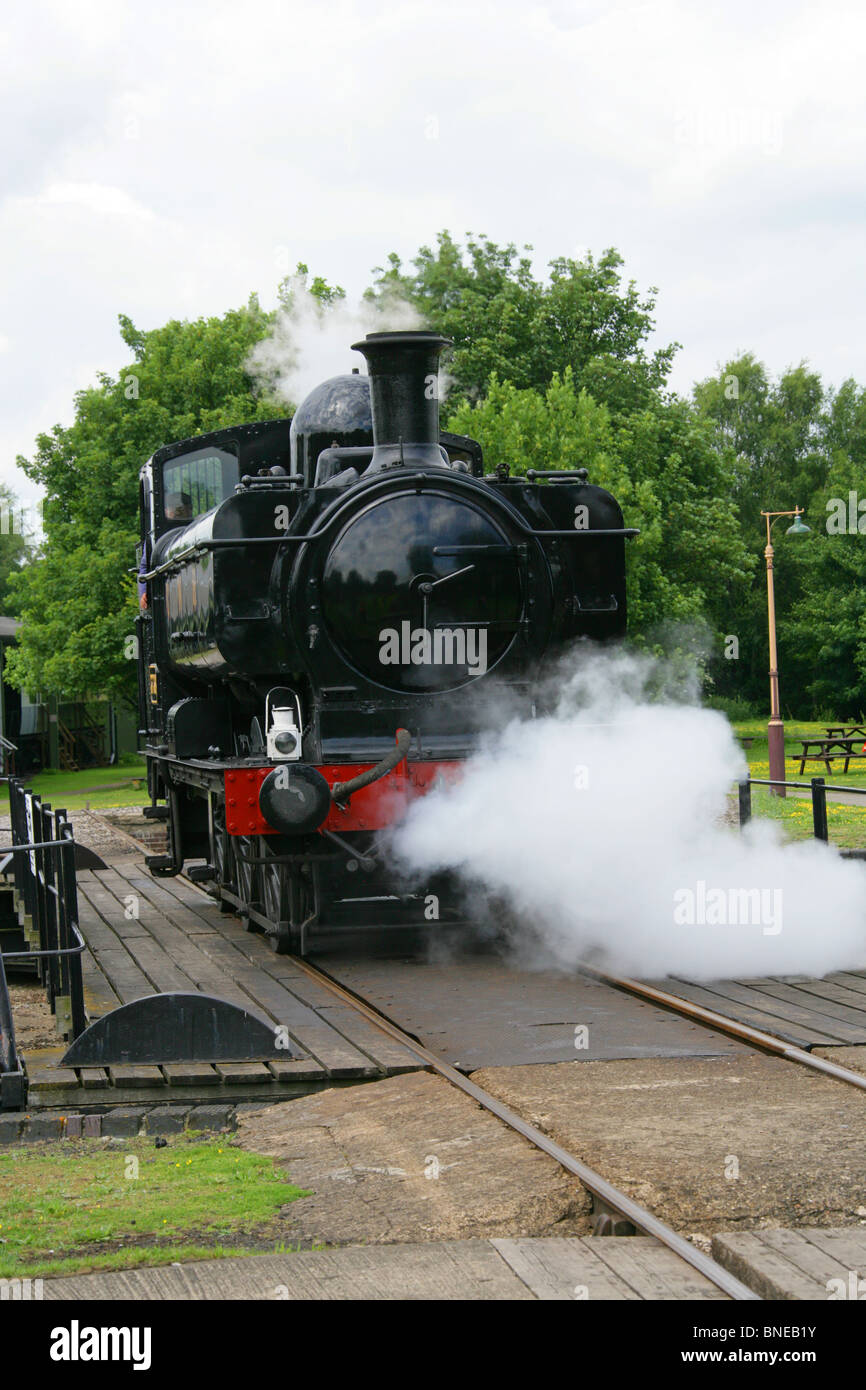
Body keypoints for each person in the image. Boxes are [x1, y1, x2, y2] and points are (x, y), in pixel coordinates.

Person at [138, 491, 194, 611]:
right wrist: (144, 592)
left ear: (190, 510)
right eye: (177, 510)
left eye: (182, 510)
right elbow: (144, 566)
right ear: (166, 511)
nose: (178, 513)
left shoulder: (197, 528)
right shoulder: (153, 538)